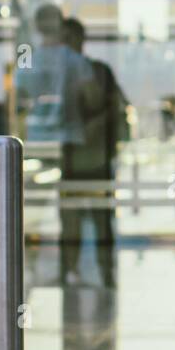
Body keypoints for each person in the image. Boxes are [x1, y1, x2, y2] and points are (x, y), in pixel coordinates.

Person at [13, 3, 101, 285]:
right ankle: (68, 270)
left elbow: (18, 102)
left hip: (36, 142)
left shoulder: (29, 60)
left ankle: (29, 269)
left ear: (38, 28)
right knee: (69, 211)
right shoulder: (75, 61)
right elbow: (94, 99)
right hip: (68, 143)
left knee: (30, 212)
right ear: (61, 26)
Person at [60, 16, 128, 289]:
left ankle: (106, 273)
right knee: (69, 221)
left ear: (78, 40)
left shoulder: (98, 72)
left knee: (101, 221)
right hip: (70, 159)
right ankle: (70, 273)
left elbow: (116, 107)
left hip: (96, 159)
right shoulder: (58, 75)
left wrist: (90, 128)